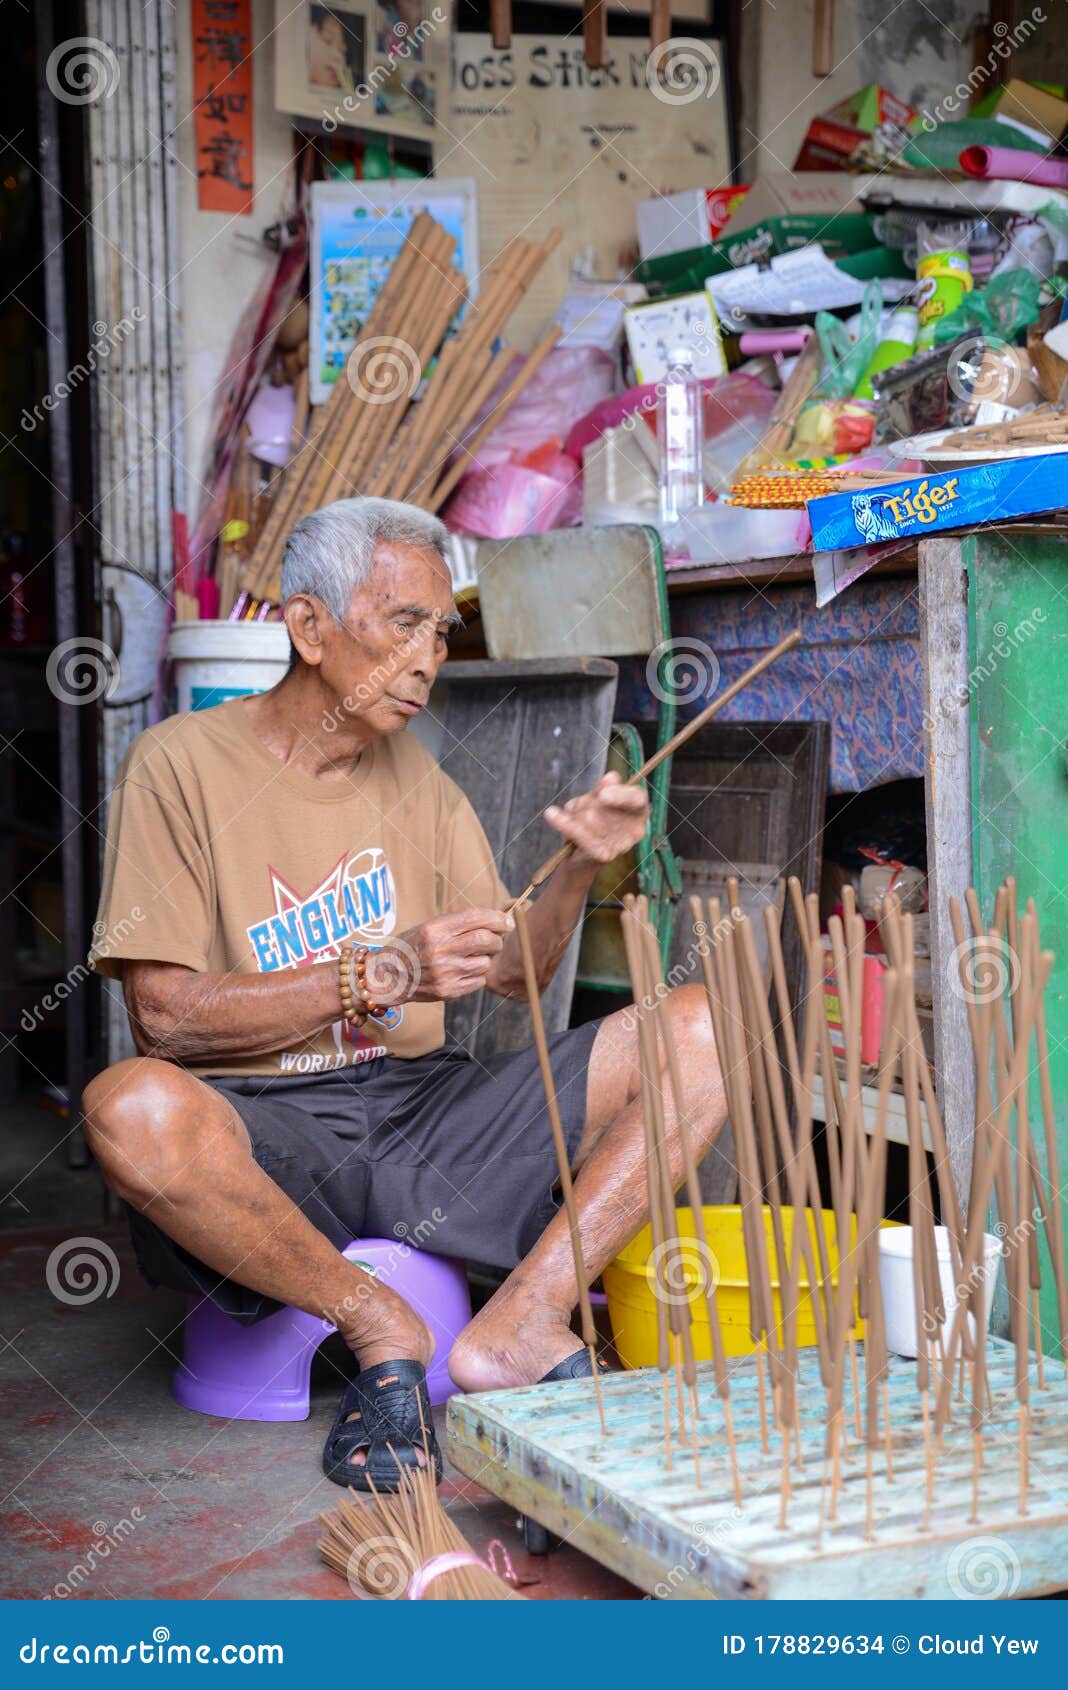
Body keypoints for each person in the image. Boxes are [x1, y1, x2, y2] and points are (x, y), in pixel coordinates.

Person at [83, 497, 726, 1490]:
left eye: (441, 628)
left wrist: (576, 869)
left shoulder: (419, 780)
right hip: (268, 1127)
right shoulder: (180, 765)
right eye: (403, 623)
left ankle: (520, 1318)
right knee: (127, 1106)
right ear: (308, 627)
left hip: (422, 1107)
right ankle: (379, 1316)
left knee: (707, 1030)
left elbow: (522, 972)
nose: (428, 655)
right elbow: (163, 1016)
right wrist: (372, 974)